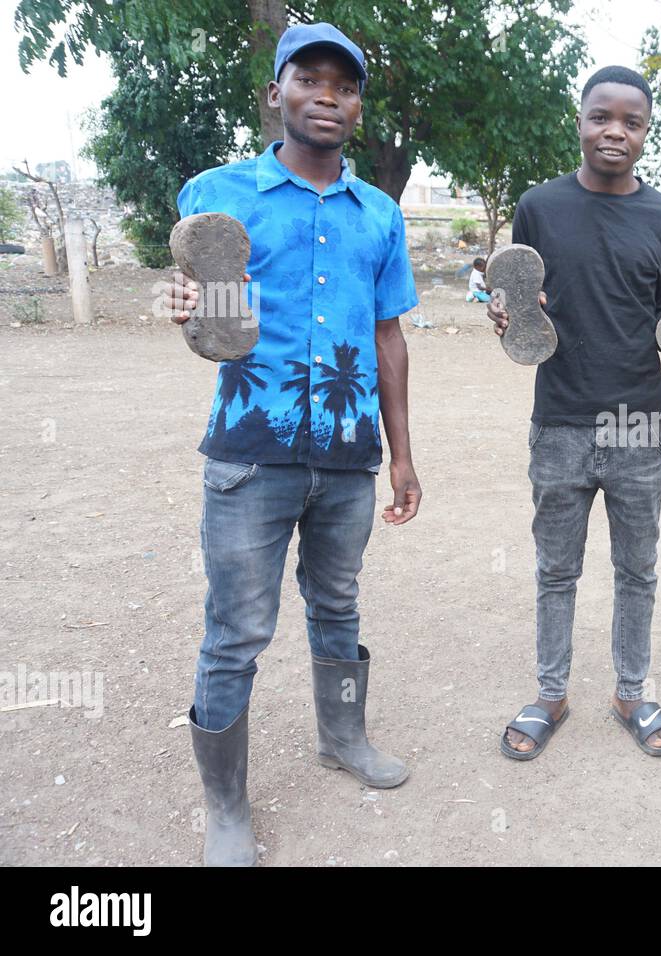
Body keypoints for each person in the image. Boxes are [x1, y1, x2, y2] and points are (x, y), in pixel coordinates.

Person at [162, 23, 421, 865]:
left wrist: (404, 453)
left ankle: (342, 738)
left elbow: (388, 337)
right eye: (308, 80)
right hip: (249, 453)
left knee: (338, 607)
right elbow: (200, 295)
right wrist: (183, 303)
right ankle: (226, 807)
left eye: (344, 87)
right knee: (236, 629)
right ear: (275, 94)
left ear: (357, 108)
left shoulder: (378, 215)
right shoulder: (220, 194)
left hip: (349, 459)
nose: (327, 97)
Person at [486, 65, 661, 760]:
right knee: (556, 570)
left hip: (640, 423)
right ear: (581, 119)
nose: (614, 131)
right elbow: (519, 296)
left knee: (637, 570)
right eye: (601, 116)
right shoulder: (538, 206)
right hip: (559, 418)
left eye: (631, 121)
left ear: (647, 132)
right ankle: (550, 694)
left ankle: (631, 692)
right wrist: (501, 315)